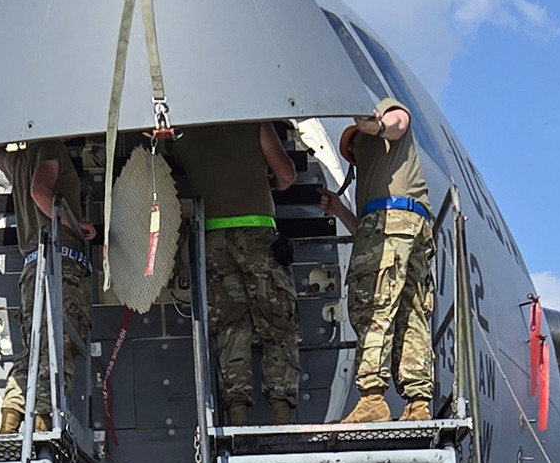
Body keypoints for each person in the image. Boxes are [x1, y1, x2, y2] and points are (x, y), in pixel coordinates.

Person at [171, 120, 301, 426]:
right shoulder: (253, 123)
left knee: (231, 328)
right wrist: (270, 184)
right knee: (277, 323)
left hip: (213, 238)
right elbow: (286, 174)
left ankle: (238, 414)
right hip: (257, 233)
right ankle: (281, 413)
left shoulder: (183, 132)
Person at [331, 97, 435, 423]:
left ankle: (372, 397)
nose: (355, 155)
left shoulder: (384, 124)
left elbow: (398, 122)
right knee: (411, 310)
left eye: (355, 148)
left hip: (390, 220)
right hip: (412, 224)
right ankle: (418, 403)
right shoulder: (383, 176)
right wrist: (337, 210)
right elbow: (364, 231)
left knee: (373, 305)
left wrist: (373, 126)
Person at [0, 139, 96, 435]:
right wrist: (75, 226)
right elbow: (39, 191)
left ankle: (11, 414)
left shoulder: (18, 161)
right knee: (59, 344)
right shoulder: (49, 148)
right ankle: (43, 418)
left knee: (34, 348)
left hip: (33, 267)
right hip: (60, 263)